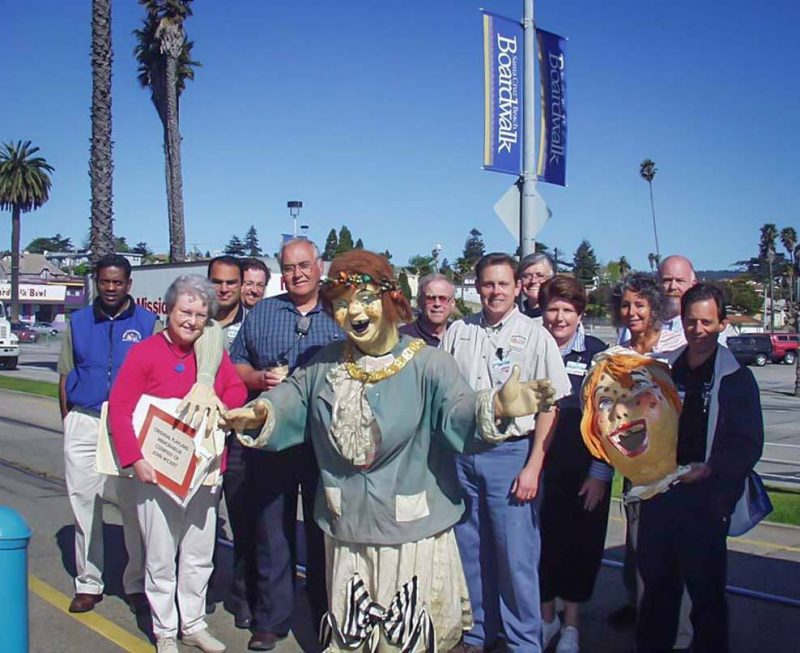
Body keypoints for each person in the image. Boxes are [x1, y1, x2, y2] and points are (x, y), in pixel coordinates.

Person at [220, 250, 557, 653]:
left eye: (363, 299)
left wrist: (497, 406)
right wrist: (259, 414)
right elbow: (292, 399)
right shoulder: (324, 364)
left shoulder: (428, 364)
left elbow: (458, 411)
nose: (353, 312)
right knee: (355, 637)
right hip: (348, 530)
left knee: (406, 639)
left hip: (410, 537)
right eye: (342, 304)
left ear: (390, 300)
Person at [108, 275, 247, 653]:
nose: (192, 320)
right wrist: (134, 459)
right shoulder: (145, 353)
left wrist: (226, 406)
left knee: (200, 556)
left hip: (203, 473)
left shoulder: (211, 354)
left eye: (201, 314)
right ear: (169, 310)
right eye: (186, 311)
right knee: (160, 555)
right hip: (158, 474)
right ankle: (165, 630)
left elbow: (234, 389)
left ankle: (194, 623)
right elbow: (119, 409)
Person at [441, 252, 571, 653]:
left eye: (503, 284)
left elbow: (551, 405)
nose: (495, 291)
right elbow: (442, 396)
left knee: (516, 558)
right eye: (487, 284)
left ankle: (522, 642)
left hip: (511, 455)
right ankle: (478, 634)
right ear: (477, 288)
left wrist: (533, 466)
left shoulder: (535, 337)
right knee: (472, 551)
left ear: (517, 288)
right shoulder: (458, 333)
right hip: (464, 454)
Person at [228, 238, 343, 651]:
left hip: (322, 442)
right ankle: (270, 619)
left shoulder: (340, 312)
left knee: (322, 531)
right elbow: (236, 364)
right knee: (272, 530)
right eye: (289, 267)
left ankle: (324, 614)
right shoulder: (263, 312)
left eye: (304, 265)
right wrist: (259, 380)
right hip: (273, 439)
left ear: (319, 265)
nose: (297, 273)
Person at [636, 283, 764, 653]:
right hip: (660, 495)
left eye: (707, 322)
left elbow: (747, 443)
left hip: (705, 504)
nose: (698, 330)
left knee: (706, 598)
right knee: (657, 592)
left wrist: (710, 471)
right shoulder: (663, 367)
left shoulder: (736, 377)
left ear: (723, 324)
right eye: (691, 322)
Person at [57, 254, 159, 614]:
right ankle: (89, 582)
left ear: (129, 285)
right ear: (96, 282)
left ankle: (135, 582)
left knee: (134, 508)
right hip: (85, 418)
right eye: (105, 282)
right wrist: (69, 420)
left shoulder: (148, 323)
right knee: (84, 504)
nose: (111, 288)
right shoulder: (78, 322)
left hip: (129, 424)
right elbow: (66, 375)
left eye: (118, 282)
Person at [537, 276, 612, 653]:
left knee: (579, 549)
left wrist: (600, 473)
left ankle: (571, 627)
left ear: (580, 313)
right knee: (540, 546)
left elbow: (610, 419)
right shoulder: (531, 346)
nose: (559, 317)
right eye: (553, 308)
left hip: (585, 471)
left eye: (568, 309)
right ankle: (546, 619)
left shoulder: (598, 354)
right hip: (538, 469)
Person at [612, 273, 685, 361]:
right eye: (625, 306)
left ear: (654, 309)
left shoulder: (679, 346)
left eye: (639, 305)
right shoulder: (616, 356)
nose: (631, 312)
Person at [399, 273, 455, 346]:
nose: (437, 304)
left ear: (452, 303)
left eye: (443, 298)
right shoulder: (401, 338)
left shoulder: (459, 335)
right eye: (430, 298)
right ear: (419, 301)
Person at [207, 256, 246, 350]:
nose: (224, 289)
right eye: (217, 282)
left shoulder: (252, 323)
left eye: (231, 283)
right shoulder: (195, 321)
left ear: (242, 285)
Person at [518, 252, 555, 322]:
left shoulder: (557, 320)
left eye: (540, 276)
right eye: (527, 276)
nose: (533, 281)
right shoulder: (516, 321)